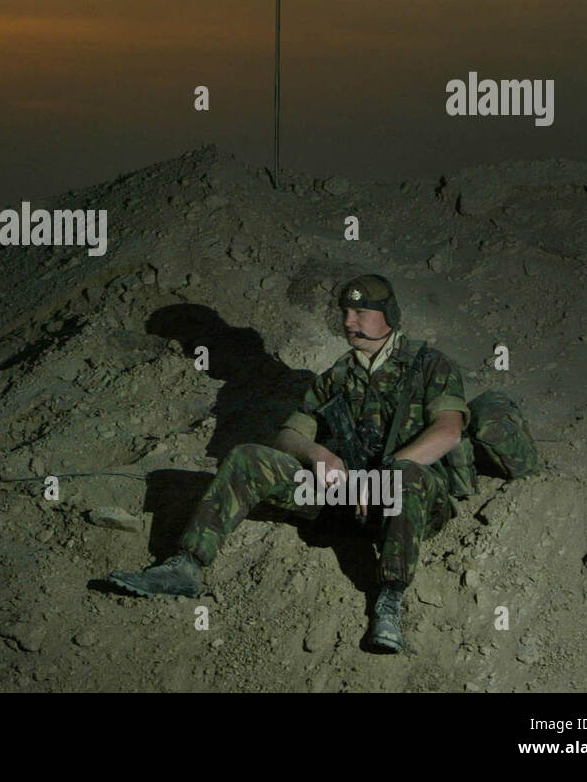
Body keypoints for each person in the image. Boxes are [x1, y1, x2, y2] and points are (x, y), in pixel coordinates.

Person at [106, 274, 473, 652]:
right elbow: (288, 435)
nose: (349, 322)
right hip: (344, 500)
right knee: (248, 457)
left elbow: (448, 431)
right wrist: (317, 453)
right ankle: (186, 564)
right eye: (346, 312)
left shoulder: (428, 365)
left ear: (388, 315)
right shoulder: (336, 377)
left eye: (361, 312)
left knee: (406, 473)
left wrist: (381, 477)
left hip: (411, 504)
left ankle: (390, 602)